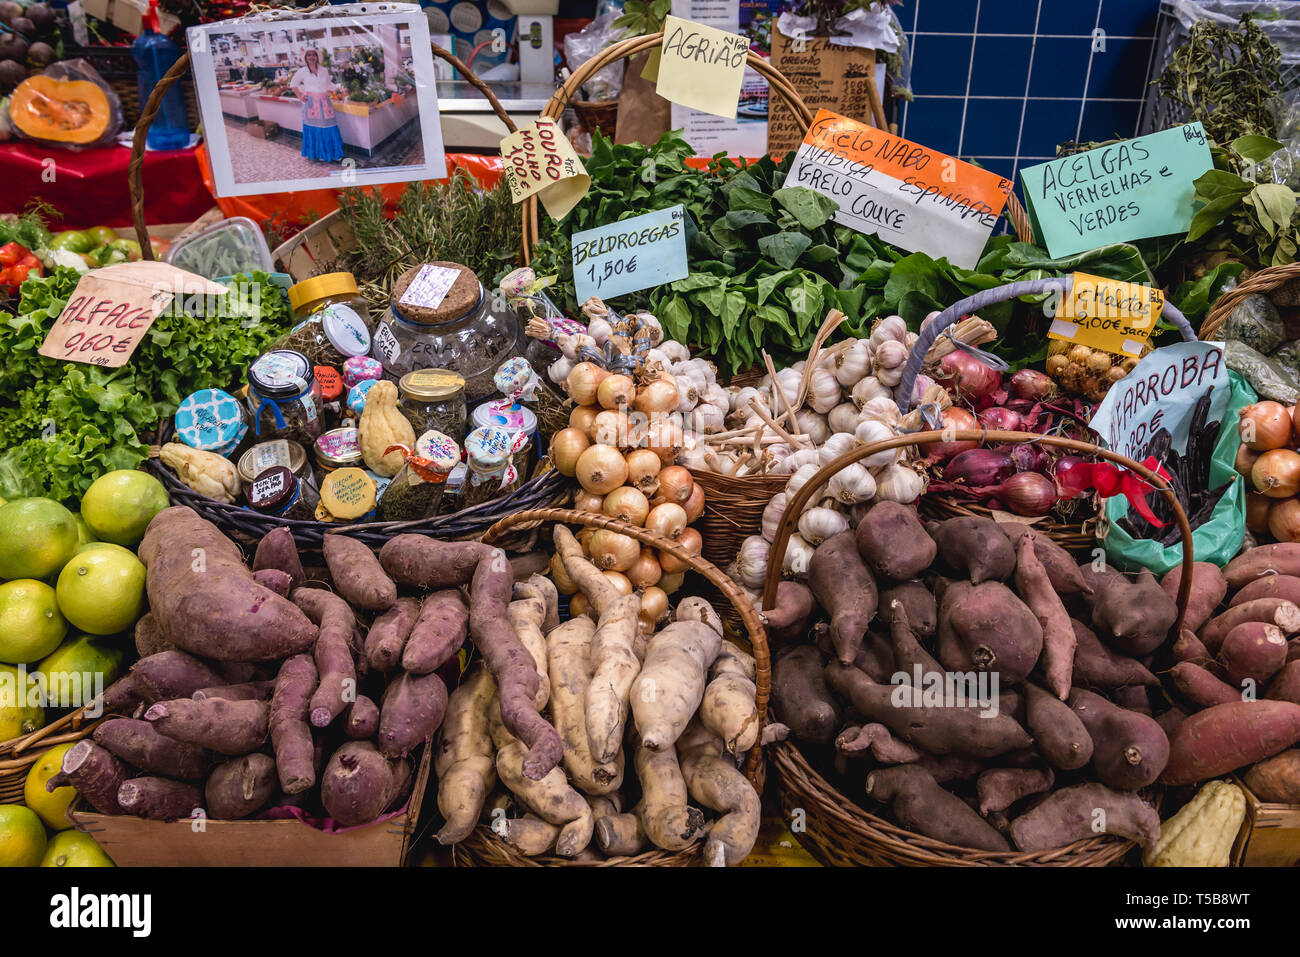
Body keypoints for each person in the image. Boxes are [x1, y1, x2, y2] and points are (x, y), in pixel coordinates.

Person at [290, 47, 344, 163]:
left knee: (329, 126)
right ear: (305, 58)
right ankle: (319, 153)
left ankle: (334, 153)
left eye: (313, 55)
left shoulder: (324, 70)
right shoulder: (302, 71)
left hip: (324, 102)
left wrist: (339, 88)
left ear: (317, 57)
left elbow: (328, 84)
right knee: (315, 128)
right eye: (308, 55)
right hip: (310, 103)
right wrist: (300, 96)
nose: (311, 57)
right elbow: (293, 84)